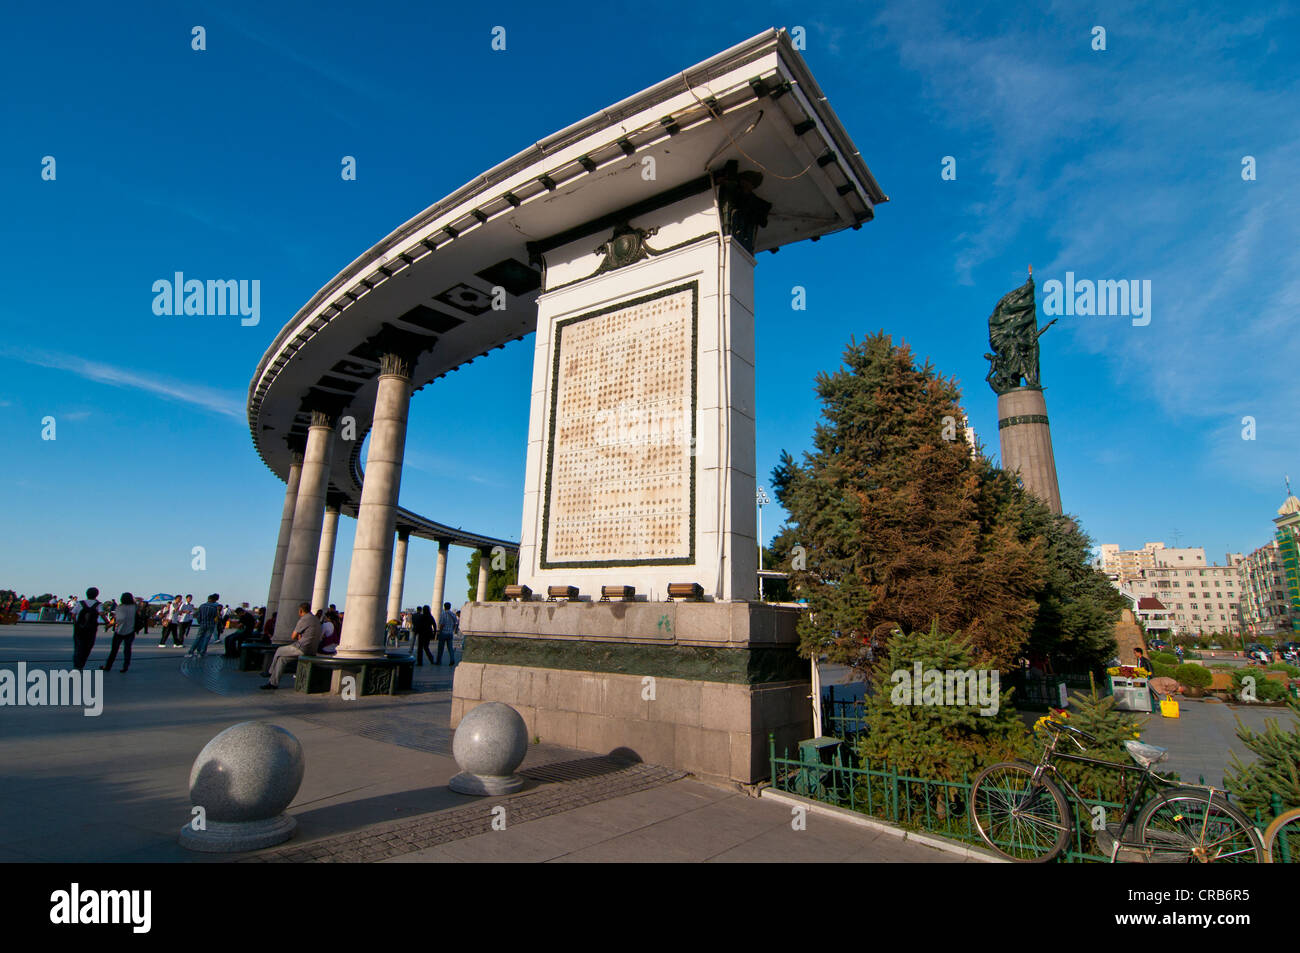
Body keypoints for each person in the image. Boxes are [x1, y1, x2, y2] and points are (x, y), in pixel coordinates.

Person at [261, 603, 322, 689]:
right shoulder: (315, 619)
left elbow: (293, 636)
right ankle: (273, 683)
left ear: (301, 610)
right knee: (282, 659)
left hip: (302, 648)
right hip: (312, 649)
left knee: (279, 650)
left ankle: (269, 671)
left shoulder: (304, 619)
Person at [101, 592, 137, 672]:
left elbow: (118, 619)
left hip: (119, 631)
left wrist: (108, 626)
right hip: (130, 631)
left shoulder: (120, 607)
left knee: (114, 650)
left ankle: (108, 666)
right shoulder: (134, 607)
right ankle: (125, 666)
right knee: (127, 650)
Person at [71, 587, 104, 670]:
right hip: (91, 629)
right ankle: (81, 663)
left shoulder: (80, 603)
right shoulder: (98, 604)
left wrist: (76, 623)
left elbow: (73, 614)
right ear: (96, 595)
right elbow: (101, 613)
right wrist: (107, 622)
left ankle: (76, 664)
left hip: (79, 628)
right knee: (88, 647)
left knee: (78, 646)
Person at [187, 593, 222, 658]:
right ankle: (201, 652)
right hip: (210, 624)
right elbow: (215, 616)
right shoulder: (214, 607)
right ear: (214, 600)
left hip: (202, 624)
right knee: (206, 639)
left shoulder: (202, 606)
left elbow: (198, 615)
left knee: (198, 638)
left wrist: (200, 621)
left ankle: (191, 651)